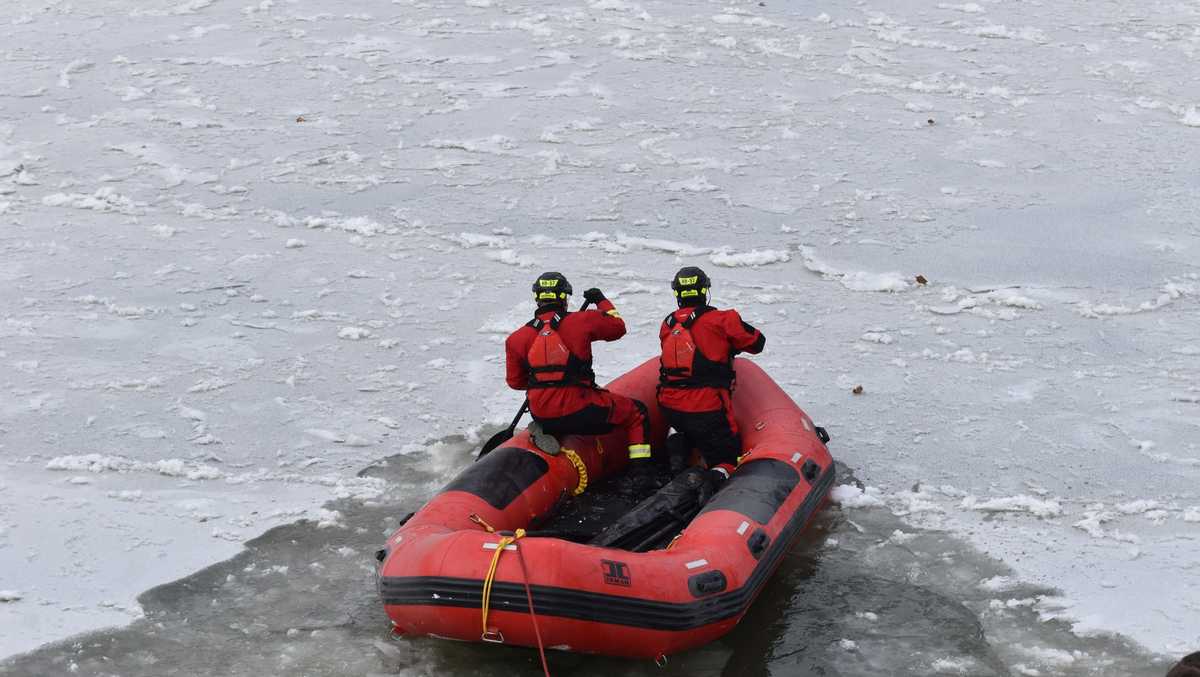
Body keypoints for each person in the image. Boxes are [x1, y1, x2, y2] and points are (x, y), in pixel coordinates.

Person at [505, 272, 651, 476]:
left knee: (556, 409)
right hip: (580, 409)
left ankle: (548, 428)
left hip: (542, 411)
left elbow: (515, 382)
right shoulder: (581, 321)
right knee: (637, 413)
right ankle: (641, 475)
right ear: (563, 297)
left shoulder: (516, 339)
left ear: (538, 298)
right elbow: (618, 327)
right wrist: (601, 300)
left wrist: (548, 382)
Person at [657, 266, 765, 496]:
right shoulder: (723, 319)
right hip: (707, 407)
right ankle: (712, 488)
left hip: (670, 405)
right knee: (728, 455)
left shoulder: (667, 324)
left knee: (681, 427)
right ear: (704, 289)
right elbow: (757, 343)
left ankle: (677, 464)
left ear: (677, 294)